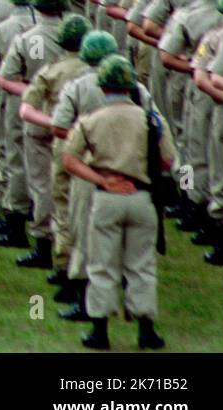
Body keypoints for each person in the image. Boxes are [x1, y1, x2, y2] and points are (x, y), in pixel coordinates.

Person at [62, 55, 174, 351]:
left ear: (103, 87)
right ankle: (146, 330)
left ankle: (99, 331)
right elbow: (168, 160)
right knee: (142, 265)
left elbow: (69, 159)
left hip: (107, 198)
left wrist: (101, 179)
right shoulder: (151, 119)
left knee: (101, 264)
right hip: (141, 197)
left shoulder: (91, 119)